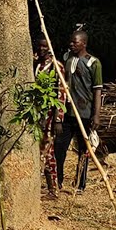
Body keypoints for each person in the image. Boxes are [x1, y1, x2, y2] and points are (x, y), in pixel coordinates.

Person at [53, 29, 103, 191]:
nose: (72, 44)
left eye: (75, 42)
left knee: (83, 150)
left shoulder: (93, 63)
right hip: (67, 113)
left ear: (84, 43)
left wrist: (96, 115)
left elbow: (97, 90)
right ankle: (57, 181)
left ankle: (80, 184)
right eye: (71, 42)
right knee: (59, 147)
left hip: (85, 114)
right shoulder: (67, 58)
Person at [32, 35, 66, 197]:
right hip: (37, 115)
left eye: (45, 46)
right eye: (39, 46)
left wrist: (58, 120)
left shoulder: (56, 67)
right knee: (40, 151)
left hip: (50, 116)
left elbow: (61, 94)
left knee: (48, 151)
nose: (41, 49)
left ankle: (53, 189)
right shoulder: (37, 65)